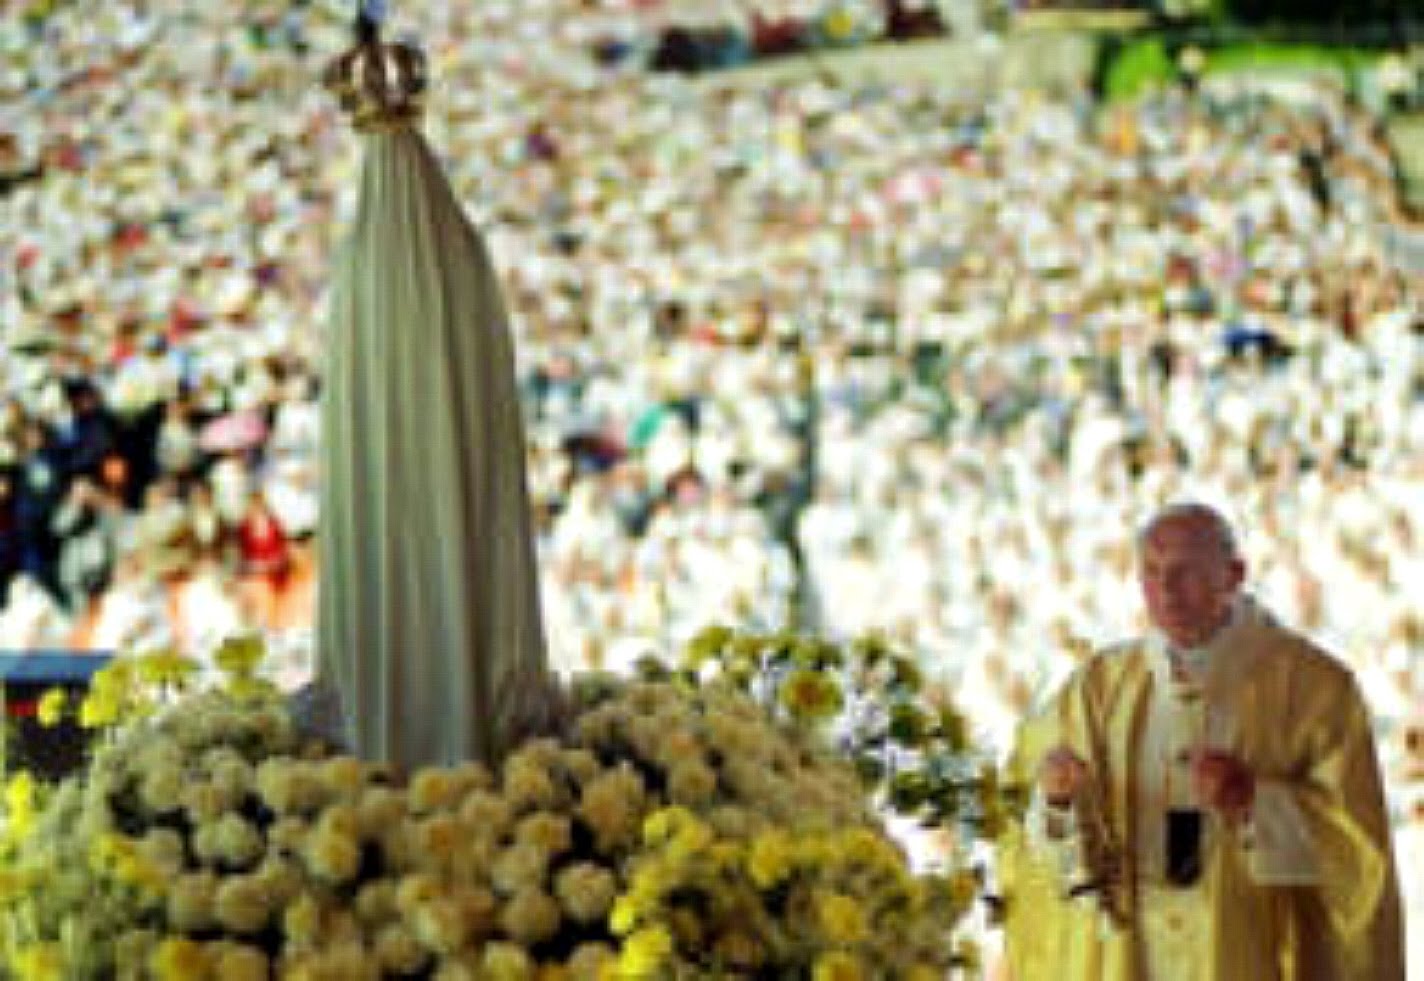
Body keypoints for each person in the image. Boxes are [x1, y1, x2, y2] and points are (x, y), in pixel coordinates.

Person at [998, 502, 1404, 981]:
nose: (1166, 591)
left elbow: (1357, 851)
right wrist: (1058, 801)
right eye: (1151, 572)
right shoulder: (1098, 688)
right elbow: (1028, 824)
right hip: (1131, 956)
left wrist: (1255, 803)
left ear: (1234, 575)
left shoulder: (1313, 689)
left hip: (1244, 953)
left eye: (1185, 571)